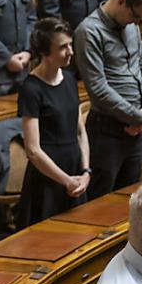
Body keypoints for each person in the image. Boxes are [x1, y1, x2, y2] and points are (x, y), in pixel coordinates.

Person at [75, 0, 142, 200]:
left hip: (136, 129)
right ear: (122, 2)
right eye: (136, 15)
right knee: (101, 202)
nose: (137, 22)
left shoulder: (131, 26)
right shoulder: (89, 31)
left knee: (130, 200)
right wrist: (137, 116)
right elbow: (98, 88)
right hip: (106, 132)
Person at [18, 18, 90, 227]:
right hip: (48, 178)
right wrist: (66, 180)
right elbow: (33, 150)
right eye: (62, 47)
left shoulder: (69, 80)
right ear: (44, 53)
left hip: (75, 173)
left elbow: (80, 132)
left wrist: (86, 172)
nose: (70, 52)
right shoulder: (31, 88)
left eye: (70, 45)